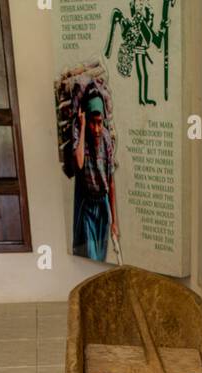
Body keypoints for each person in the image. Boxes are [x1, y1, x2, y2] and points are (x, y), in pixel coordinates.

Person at [73, 92, 119, 262]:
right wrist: (83, 125)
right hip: (88, 207)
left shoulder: (107, 140)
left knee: (100, 257)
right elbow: (78, 162)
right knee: (91, 255)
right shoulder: (81, 137)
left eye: (99, 123)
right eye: (93, 123)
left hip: (103, 207)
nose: (97, 129)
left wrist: (114, 222)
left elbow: (111, 182)